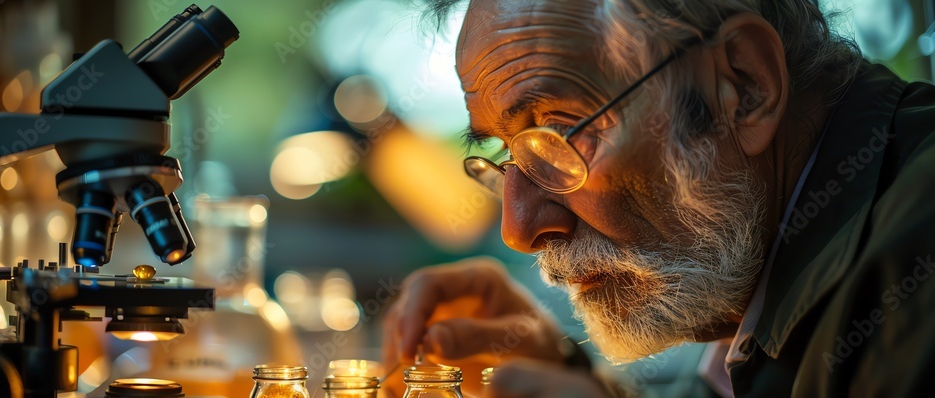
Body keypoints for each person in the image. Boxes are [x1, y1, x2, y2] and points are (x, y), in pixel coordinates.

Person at [382, 0, 935, 396]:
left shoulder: (914, 261)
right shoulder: (764, 272)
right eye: (508, 154)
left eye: (557, 136)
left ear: (744, 87)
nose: (518, 227)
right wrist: (575, 379)